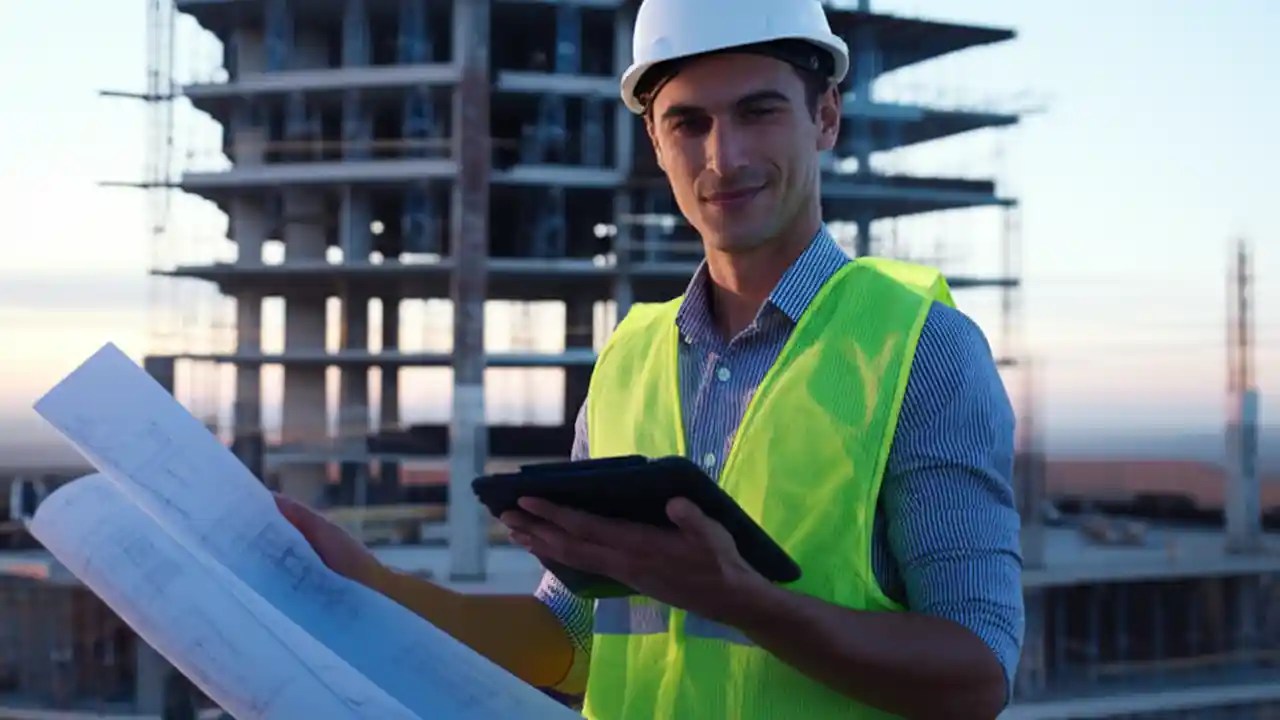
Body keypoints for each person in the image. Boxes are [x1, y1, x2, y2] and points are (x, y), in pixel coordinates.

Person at [275, 0, 1024, 717]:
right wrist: (376, 586)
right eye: (688, 122)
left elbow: (976, 676)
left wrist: (742, 600)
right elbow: (573, 640)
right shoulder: (629, 361)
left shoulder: (919, 350)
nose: (723, 158)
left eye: (758, 111)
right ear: (655, 142)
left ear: (825, 116)